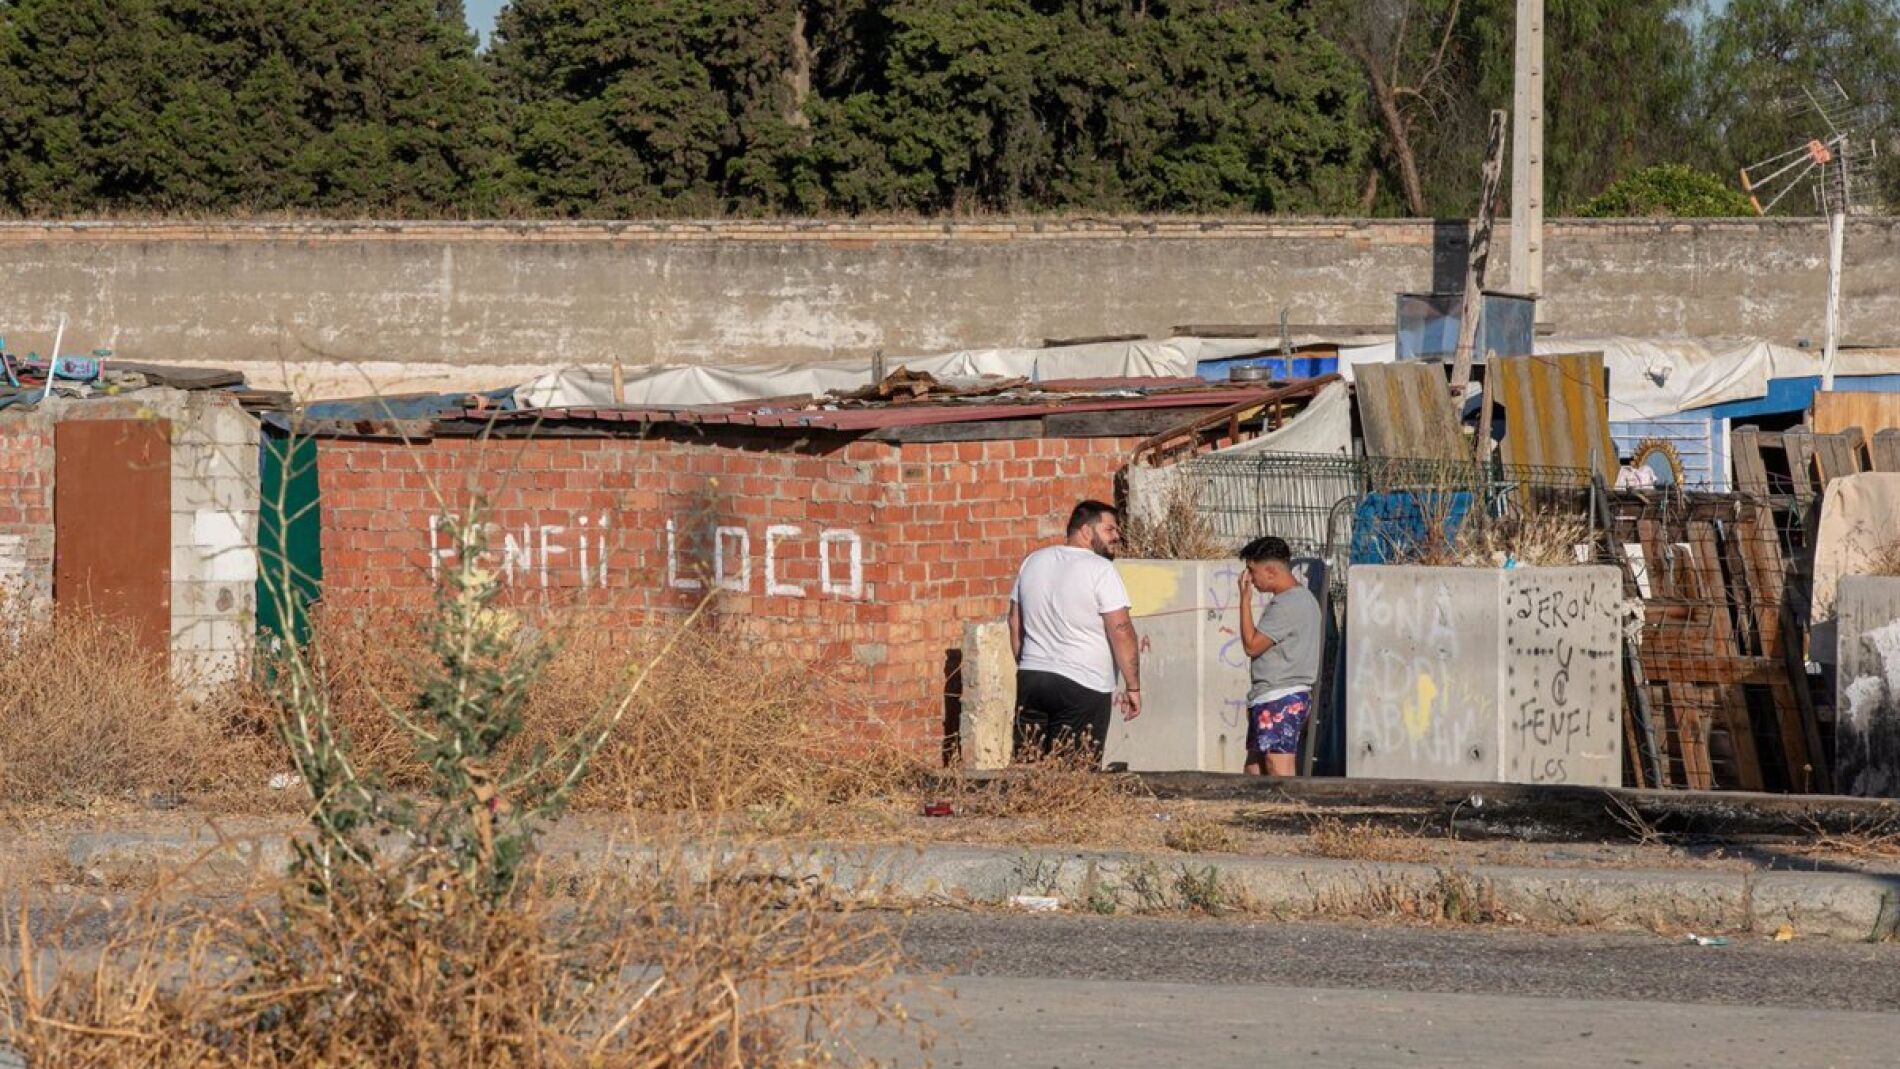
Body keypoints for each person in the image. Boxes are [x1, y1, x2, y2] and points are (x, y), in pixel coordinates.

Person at [1007, 500, 1142, 762]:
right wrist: (1133, 686)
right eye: (1110, 530)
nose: (1117, 536)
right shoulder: (1101, 569)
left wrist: (1028, 665)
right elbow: (1121, 631)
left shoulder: (1033, 562)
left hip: (1033, 678)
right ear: (1086, 531)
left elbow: (1015, 624)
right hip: (1083, 684)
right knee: (1075, 773)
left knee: (1027, 766)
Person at [1236, 535, 1322, 776]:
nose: (1250, 579)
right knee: (1255, 768)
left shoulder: (1286, 604)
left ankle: (1289, 813)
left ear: (1271, 571)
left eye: (1252, 572)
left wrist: (1244, 600)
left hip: (1279, 695)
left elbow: (1252, 645)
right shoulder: (1302, 599)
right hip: (1272, 695)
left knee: (1277, 767)